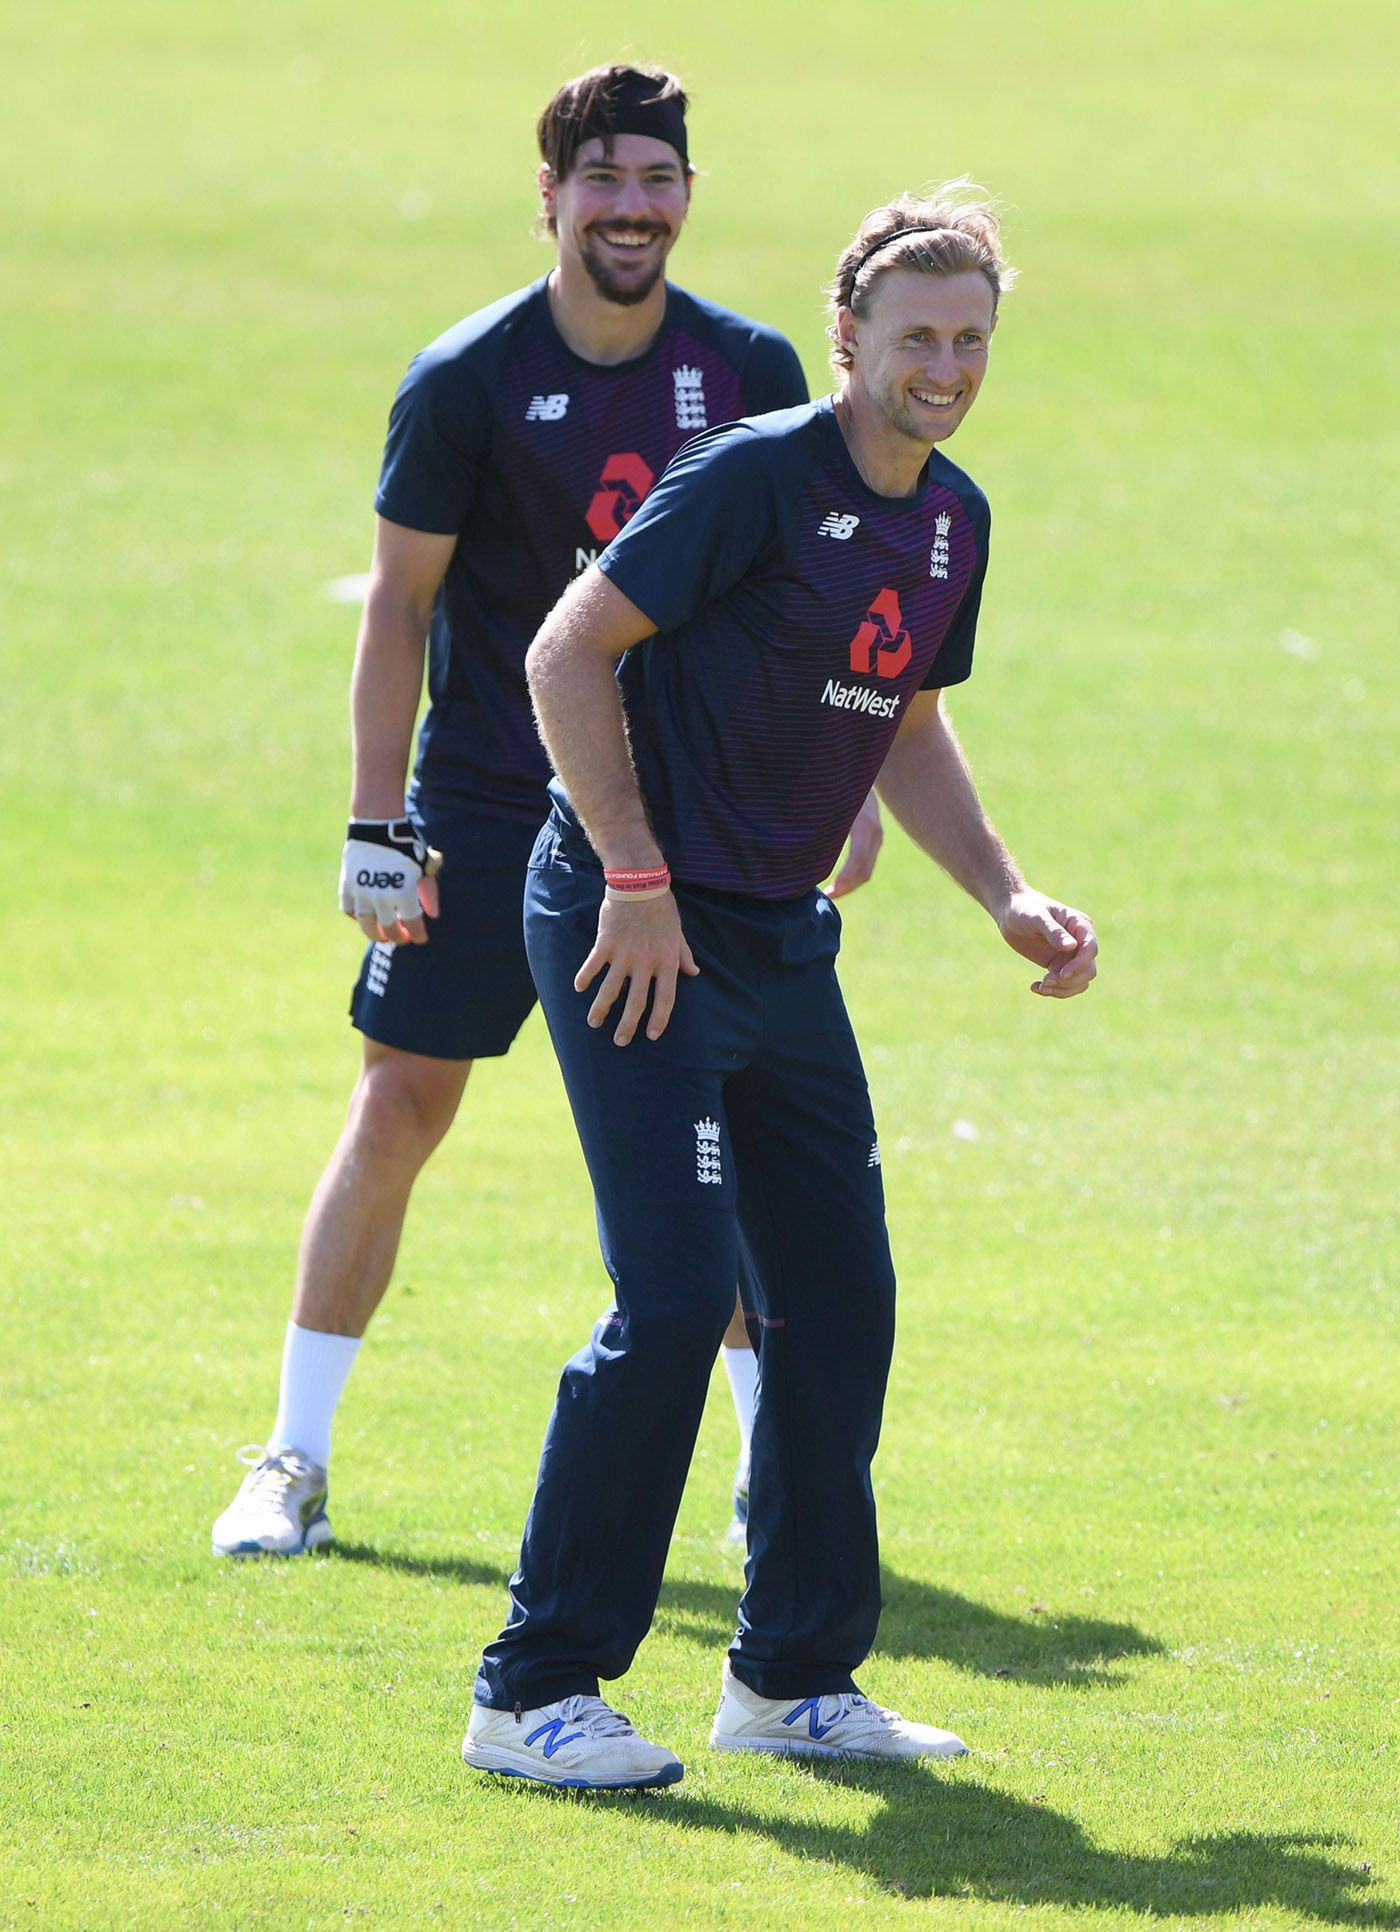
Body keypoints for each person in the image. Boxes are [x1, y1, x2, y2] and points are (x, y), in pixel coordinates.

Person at [460, 182, 1099, 1789]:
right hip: (635, 923)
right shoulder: (753, 474)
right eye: (916, 337)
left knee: (839, 1302)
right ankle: (532, 1692)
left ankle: (793, 1679)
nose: (944, 366)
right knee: (677, 1301)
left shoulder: (953, 518)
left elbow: (903, 718)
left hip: (777, 942)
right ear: (848, 338)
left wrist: (1005, 892)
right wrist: (636, 875)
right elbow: (565, 650)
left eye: (970, 340)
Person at [212, 64, 883, 1559]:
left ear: (688, 196)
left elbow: (812, 594)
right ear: (551, 199)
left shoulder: (752, 366)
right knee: (399, 1106)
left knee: (703, 1142)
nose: (632, 208)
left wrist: (830, 787)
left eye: (658, 180)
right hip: (490, 801)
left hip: (678, 828)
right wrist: (377, 826)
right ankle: (293, 1459)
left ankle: (771, 1482)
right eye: (603, 181)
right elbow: (399, 610)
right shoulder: (464, 380)